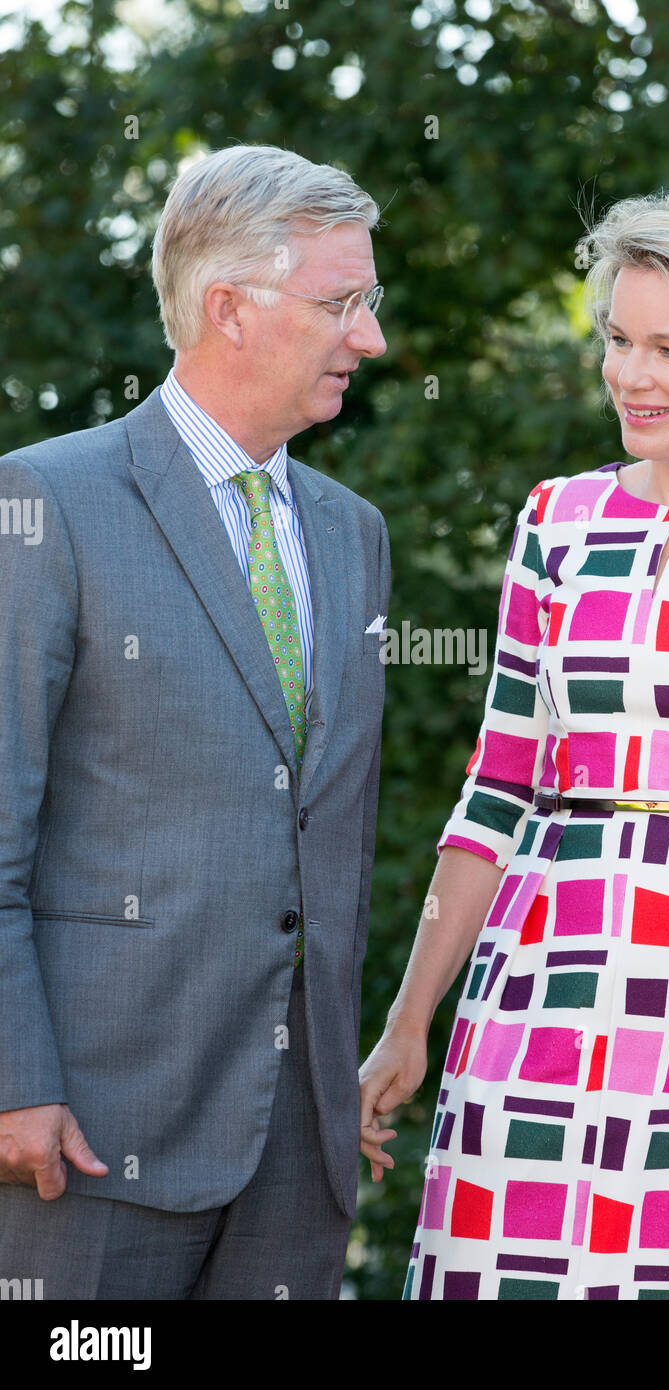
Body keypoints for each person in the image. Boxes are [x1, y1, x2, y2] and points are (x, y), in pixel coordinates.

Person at [360, 180, 669, 1301]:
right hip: (540, 984)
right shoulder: (557, 519)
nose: (629, 375)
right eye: (617, 340)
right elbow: (493, 791)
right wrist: (406, 1027)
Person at [0, 143, 389, 1300]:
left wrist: (333, 1086)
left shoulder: (351, 532)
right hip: (84, 1136)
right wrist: (13, 1078)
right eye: (341, 302)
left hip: (295, 1155)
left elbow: (333, 830)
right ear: (229, 308)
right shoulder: (45, 502)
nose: (367, 337)